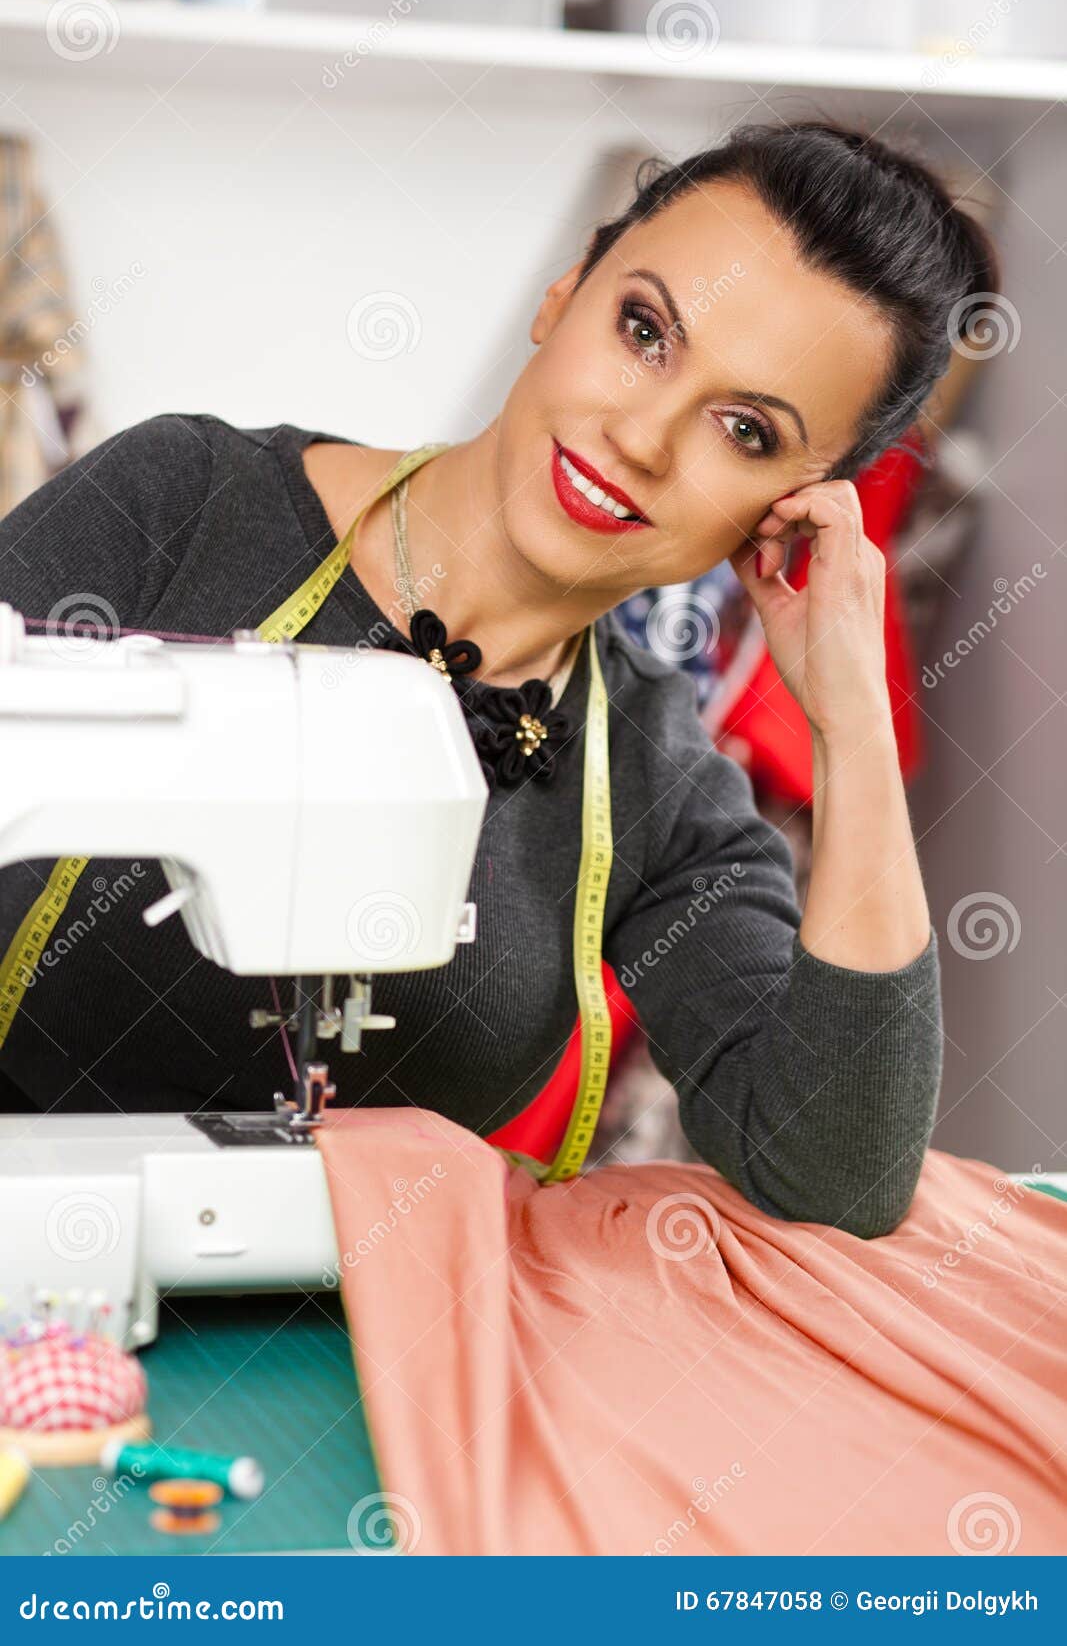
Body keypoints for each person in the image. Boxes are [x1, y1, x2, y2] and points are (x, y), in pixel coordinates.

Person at [0, 119, 1000, 1237]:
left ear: (792, 512)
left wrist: (851, 725)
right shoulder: (181, 505)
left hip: (364, 1366)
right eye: (643, 330)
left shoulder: (656, 786)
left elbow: (835, 1175)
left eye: (744, 430)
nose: (642, 434)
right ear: (562, 293)